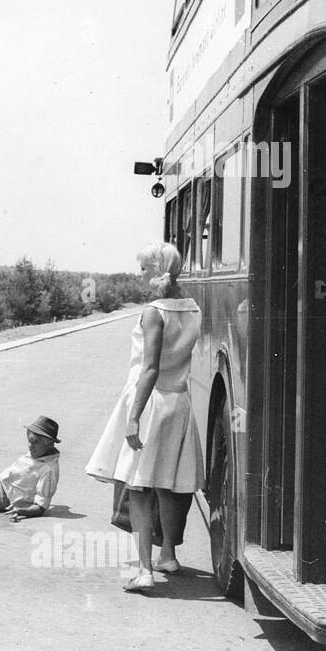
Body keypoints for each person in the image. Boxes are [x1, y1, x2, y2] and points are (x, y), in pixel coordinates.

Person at [85, 242, 205, 592]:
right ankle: (168, 553)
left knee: (138, 488)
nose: (139, 275)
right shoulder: (193, 308)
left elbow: (149, 368)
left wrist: (134, 417)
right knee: (167, 485)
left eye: (142, 268)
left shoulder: (153, 311)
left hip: (151, 403)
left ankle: (144, 569)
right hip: (178, 402)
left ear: (155, 269)